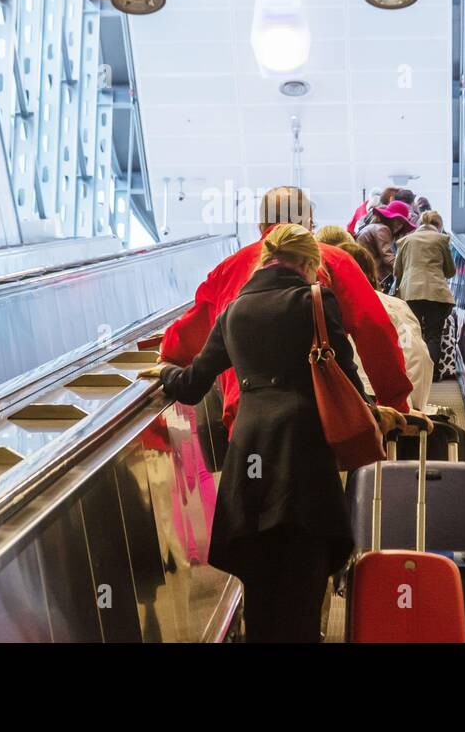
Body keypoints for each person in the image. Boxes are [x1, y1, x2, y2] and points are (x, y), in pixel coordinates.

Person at [140, 225, 407, 642]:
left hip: (250, 457)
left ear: (265, 260)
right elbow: (347, 382)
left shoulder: (234, 311)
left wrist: (165, 373)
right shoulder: (315, 301)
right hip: (303, 457)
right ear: (308, 264)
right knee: (303, 587)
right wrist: (380, 411)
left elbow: (192, 384)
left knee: (261, 591)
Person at [160, 186, 414, 432]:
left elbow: (193, 329)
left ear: (261, 226)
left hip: (247, 419)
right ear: (310, 223)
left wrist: (168, 355)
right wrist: (394, 403)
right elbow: (375, 329)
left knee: (255, 473)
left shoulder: (227, 269)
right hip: (324, 418)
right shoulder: (335, 261)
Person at [334, 240, 433, 411]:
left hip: (350, 407)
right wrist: (413, 409)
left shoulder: (327, 309)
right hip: (393, 405)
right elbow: (420, 357)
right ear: (371, 274)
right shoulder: (397, 306)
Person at [394, 210, 456, 366]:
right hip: (436, 294)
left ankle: (411, 372)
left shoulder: (406, 240)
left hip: (410, 294)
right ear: (439, 225)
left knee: (411, 334)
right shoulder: (442, 240)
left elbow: (397, 271)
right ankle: (430, 375)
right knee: (433, 335)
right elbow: (450, 271)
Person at [354, 199, 415, 289]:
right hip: (375, 279)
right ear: (388, 217)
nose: (399, 225)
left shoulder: (373, 227)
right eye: (397, 220)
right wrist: (406, 274)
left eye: (402, 222)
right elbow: (388, 257)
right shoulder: (382, 229)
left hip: (365, 276)